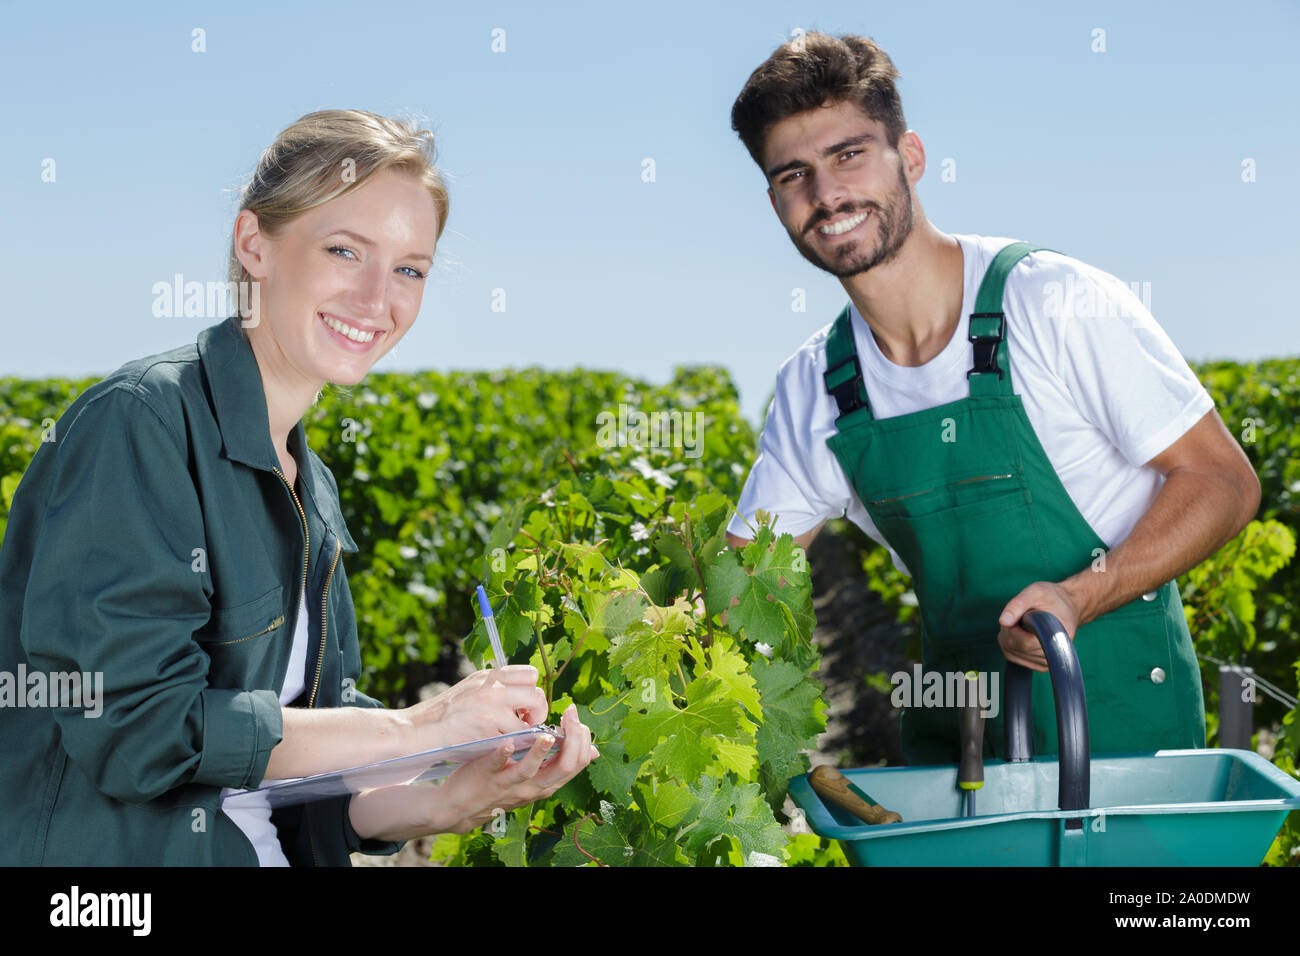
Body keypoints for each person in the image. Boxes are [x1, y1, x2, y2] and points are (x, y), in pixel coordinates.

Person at [0, 109, 597, 866]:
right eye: (345, 250)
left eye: (410, 269)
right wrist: (420, 727)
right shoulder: (143, 422)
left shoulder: (310, 487)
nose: (379, 297)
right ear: (256, 244)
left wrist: (453, 796)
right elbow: (138, 730)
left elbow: (292, 783)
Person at [722, 33, 1260, 764]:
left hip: (1119, 729)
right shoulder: (816, 380)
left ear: (910, 156)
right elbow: (741, 575)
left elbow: (1223, 482)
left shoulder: (1052, 301)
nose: (827, 195)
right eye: (794, 174)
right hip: (959, 747)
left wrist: (1077, 597)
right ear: (774, 199)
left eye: (850, 155)